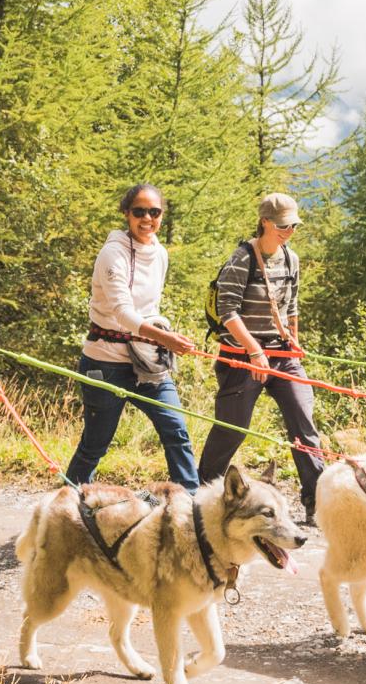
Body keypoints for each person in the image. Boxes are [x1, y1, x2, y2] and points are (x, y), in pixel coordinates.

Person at [195, 192, 324, 523]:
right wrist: (254, 350)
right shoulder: (241, 260)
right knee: (232, 429)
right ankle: (202, 492)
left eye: (293, 225)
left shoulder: (291, 258)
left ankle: (315, 501)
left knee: (302, 421)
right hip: (241, 354)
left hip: (281, 353)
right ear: (265, 222)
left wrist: (294, 339)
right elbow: (227, 312)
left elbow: (291, 305)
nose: (289, 231)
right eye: (283, 225)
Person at [66, 184, 201, 489]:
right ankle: (65, 509)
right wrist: (166, 339)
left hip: (147, 361)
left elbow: (148, 307)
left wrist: (160, 338)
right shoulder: (112, 254)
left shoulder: (161, 254)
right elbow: (123, 313)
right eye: (139, 211)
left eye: (154, 212)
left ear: (161, 215)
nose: (147, 218)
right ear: (126, 214)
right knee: (95, 444)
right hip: (105, 363)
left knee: (176, 430)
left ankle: (191, 505)